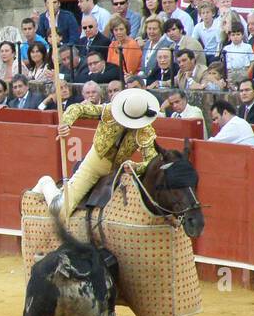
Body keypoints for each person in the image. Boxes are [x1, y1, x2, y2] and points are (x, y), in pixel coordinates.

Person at [31, 88, 160, 221]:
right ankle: (45, 182)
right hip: (94, 164)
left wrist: (136, 167)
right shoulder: (110, 111)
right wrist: (66, 124)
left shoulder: (146, 131)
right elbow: (77, 108)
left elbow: (152, 162)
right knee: (62, 211)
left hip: (118, 172)